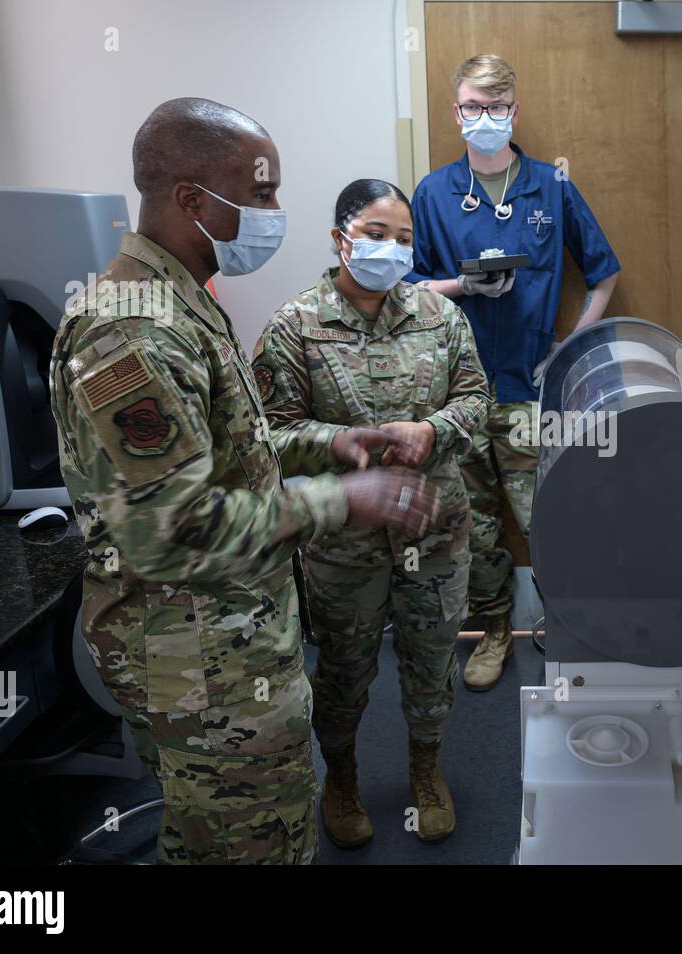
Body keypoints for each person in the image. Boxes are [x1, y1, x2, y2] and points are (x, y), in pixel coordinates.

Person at [49, 98, 438, 864]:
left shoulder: (183, 301)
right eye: (260, 194)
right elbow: (173, 528)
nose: (275, 213)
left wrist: (332, 446)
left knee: (247, 834)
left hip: (233, 641)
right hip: (195, 666)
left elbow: (232, 452)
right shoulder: (135, 331)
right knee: (248, 845)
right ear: (191, 199)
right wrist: (344, 500)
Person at [252, 179, 489, 845]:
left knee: (431, 662)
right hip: (342, 546)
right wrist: (331, 441)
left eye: (405, 239)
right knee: (343, 674)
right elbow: (265, 437)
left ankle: (425, 770)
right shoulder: (294, 326)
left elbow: (477, 403)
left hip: (433, 531)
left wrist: (434, 431)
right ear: (341, 239)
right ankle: (344, 779)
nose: (391, 249)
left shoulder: (441, 319)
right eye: (377, 234)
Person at [408, 53, 621, 690]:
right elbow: (409, 289)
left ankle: (570, 625)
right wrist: (463, 287)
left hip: (532, 390)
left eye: (496, 108)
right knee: (473, 527)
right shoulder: (433, 192)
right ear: (456, 112)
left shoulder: (551, 186)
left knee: (550, 521)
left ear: (514, 112)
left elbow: (605, 274)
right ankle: (494, 632)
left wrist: (570, 348)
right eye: (473, 108)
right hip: (461, 393)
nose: (484, 119)